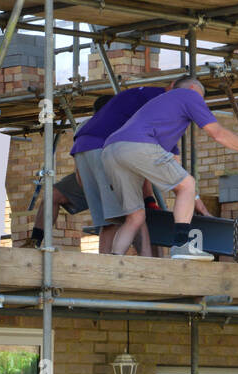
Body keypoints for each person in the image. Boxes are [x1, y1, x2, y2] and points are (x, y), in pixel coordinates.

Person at [102, 76, 238, 260]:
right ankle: (181, 245)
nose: (201, 104)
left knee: (135, 216)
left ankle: (113, 259)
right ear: (193, 88)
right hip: (138, 145)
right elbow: (217, 134)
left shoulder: (162, 114)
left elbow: (178, 174)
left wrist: (198, 203)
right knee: (187, 184)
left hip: (110, 150)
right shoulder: (188, 95)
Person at [33, 88, 166, 254]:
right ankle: (35, 242)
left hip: (106, 170)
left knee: (127, 218)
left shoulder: (116, 122)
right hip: (93, 171)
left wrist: (148, 198)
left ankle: (147, 261)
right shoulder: (88, 125)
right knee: (53, 196)